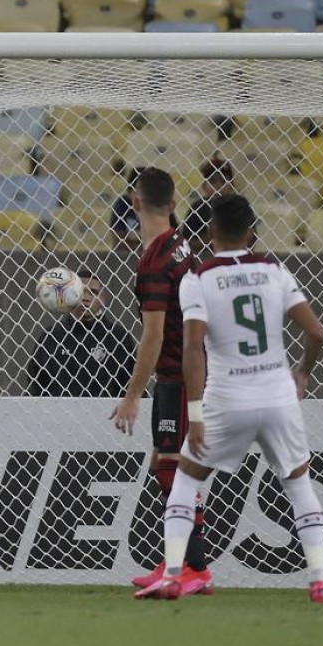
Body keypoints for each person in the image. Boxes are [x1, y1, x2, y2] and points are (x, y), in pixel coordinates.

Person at [136, 194, 323, 602]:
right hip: (278, 396)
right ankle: (319, 581)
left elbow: (193, 348)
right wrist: (303, 371)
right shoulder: (274, 270)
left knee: (187, 479)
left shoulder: (199, 278)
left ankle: (175, 573)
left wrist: (196, 412)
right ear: (253, 231)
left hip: (228, 399)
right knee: (298, 482)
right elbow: (317, 333)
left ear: (209, 232)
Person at [109, 167, 212, 595]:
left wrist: (132, 395)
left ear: (135, 203)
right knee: (165, 467)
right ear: (173, 204)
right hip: (189, 372)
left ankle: (196, 568)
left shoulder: (153, 261)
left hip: (178, 377)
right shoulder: (181, 245)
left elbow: (152, 336)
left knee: (174, 471)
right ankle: (178, 561)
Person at [26, 269, 135, 398]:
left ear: (103, 299)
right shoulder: (51, 336)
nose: (86, 298)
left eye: (93, 292)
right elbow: (35, 385)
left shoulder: (118, 337)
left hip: (105, 414)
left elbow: (132, 383)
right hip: (58, 414)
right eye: (80, 292)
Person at [180, 158, 236, 256]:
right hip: (203, 257)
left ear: (232, 185)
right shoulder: (197, 207)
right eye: (212, 181)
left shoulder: (238, 206)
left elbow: (252, 238)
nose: (218, 185)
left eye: (223, 181)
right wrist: (212, 239)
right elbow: (186, 241)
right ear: (204, 186)